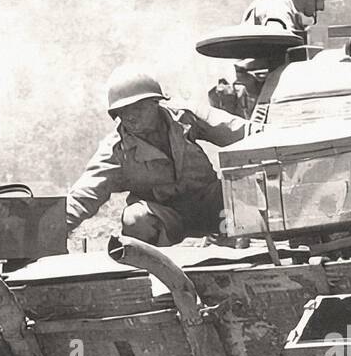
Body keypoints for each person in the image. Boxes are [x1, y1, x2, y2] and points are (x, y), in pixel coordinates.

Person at [67, 65, 247, 246]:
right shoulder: (116, 150)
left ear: (155, 103)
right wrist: (49, 230)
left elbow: (241, 130)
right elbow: (83, 195)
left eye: (137, 107)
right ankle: (164, 266)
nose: (130, 116)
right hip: (168, 219)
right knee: (135, 218)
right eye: (123, 111)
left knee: (243, 186)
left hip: (211, 206)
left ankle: (237, 242)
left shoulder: (185, 117)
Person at [227, 0, 343, 110]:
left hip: (262, 89)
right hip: (258, 92)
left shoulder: (284, 8)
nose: (321, 7)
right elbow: (278, 50)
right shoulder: (277, 8)